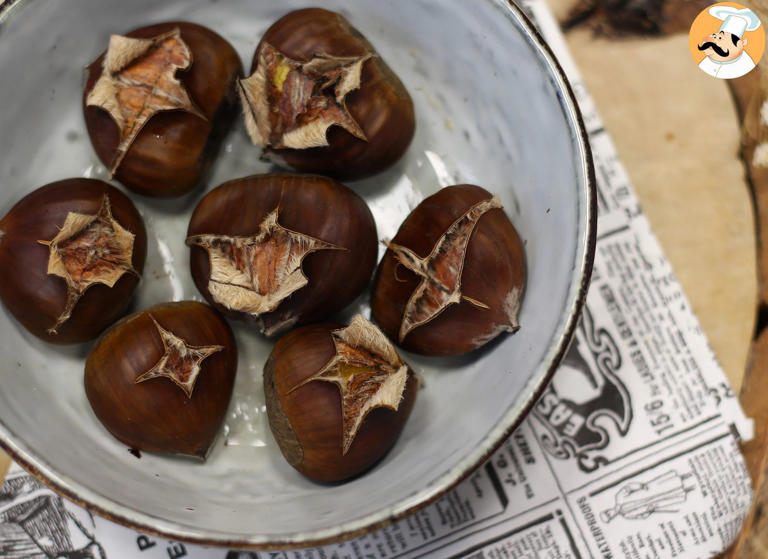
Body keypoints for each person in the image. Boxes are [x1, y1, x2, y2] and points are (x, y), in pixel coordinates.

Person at [698, 6, 762, 79]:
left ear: (742, 42)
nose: (713, 42)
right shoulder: (707, 60)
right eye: (714, 36)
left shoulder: (745, 66)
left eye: (720, 38)